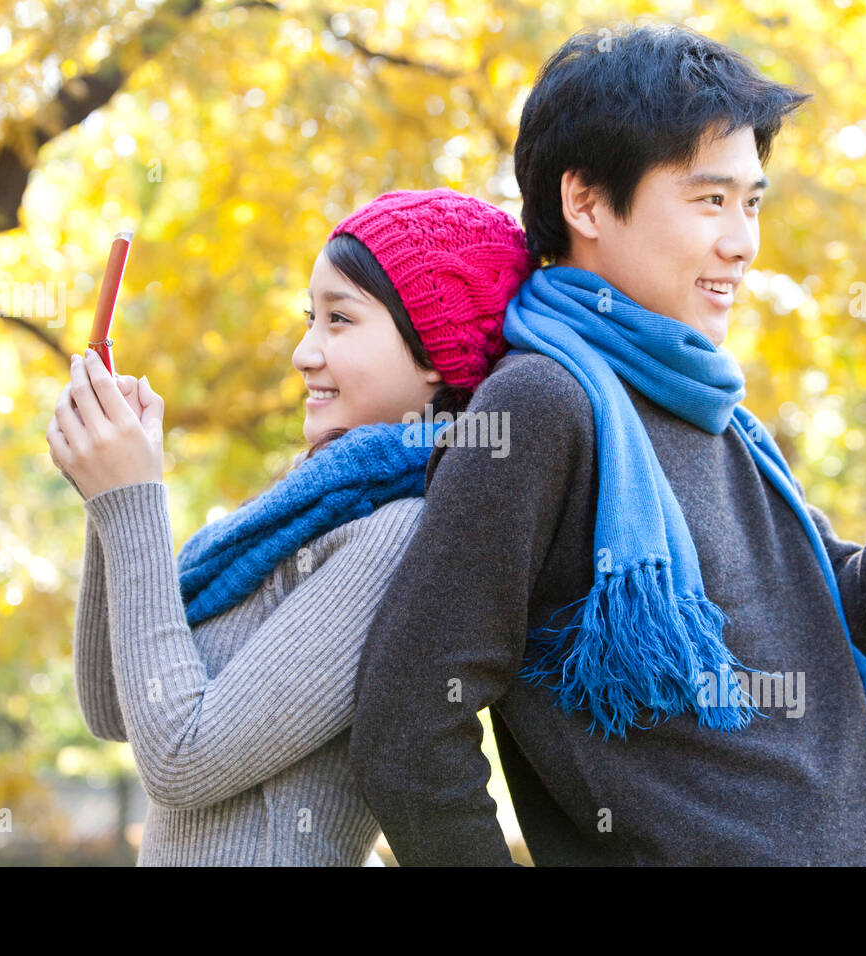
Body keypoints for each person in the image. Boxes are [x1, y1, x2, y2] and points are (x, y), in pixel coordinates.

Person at [348, 23, 866, 865]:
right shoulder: (542, 406)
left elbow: (860, 634)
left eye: (752, 201)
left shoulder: (720, 417)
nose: (742, 240)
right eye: (709, 199)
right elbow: (405, 730)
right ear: (584, 202)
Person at [45, 188, 534, 865]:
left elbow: (182, 760)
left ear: (433, 354)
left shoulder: (398, 534)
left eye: (340, 319)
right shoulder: (303, 514)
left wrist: (132, 498)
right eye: (311, 317)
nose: (305, 351)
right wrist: (109, 497)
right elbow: (111, 709)